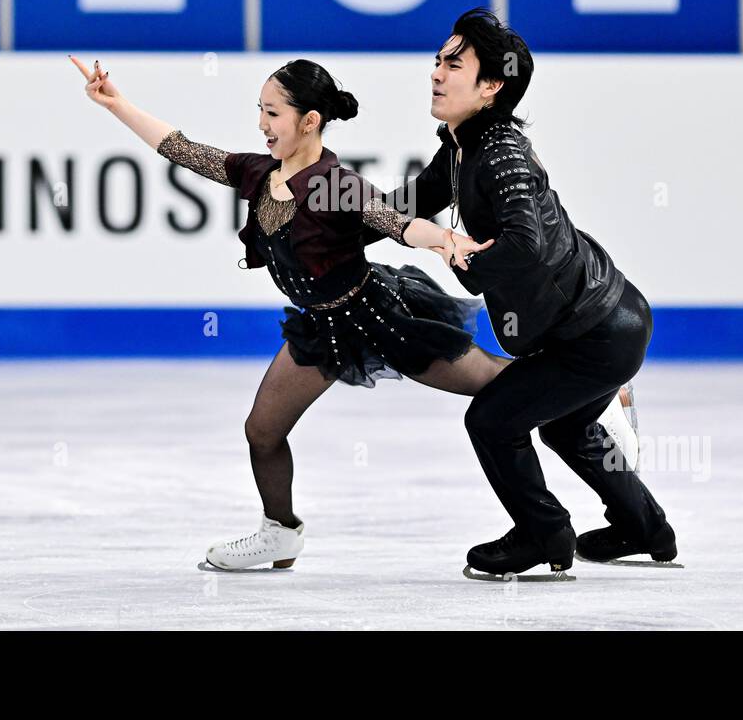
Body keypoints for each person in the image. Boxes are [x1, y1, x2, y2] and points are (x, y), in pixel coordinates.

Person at [70, 55, 519, 571]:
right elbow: (182, 149)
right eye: (259, 110)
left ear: (310, 120)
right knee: (262, 430)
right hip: (321, 326)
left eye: (274, 113)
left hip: (378, 316)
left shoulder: (336, 183)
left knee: (491, 383)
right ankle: (279, 531)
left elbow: (395, 222)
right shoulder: (257, 173)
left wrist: (443, 240)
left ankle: (588, 390)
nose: (262, 123)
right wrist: (116, 104)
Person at [379, 8, 677, 576]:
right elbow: (413, 203)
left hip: (597, 335)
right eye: (439, 59)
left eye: (454, 63)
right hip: (607, 320)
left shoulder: (500, 152)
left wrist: (459, 256)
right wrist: (334, 215)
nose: (436, 72)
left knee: (493, 420)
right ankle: (645, 528)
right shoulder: (466, 142)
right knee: (565, 425)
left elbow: (526, 244)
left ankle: (543, 535)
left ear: (491, 86)